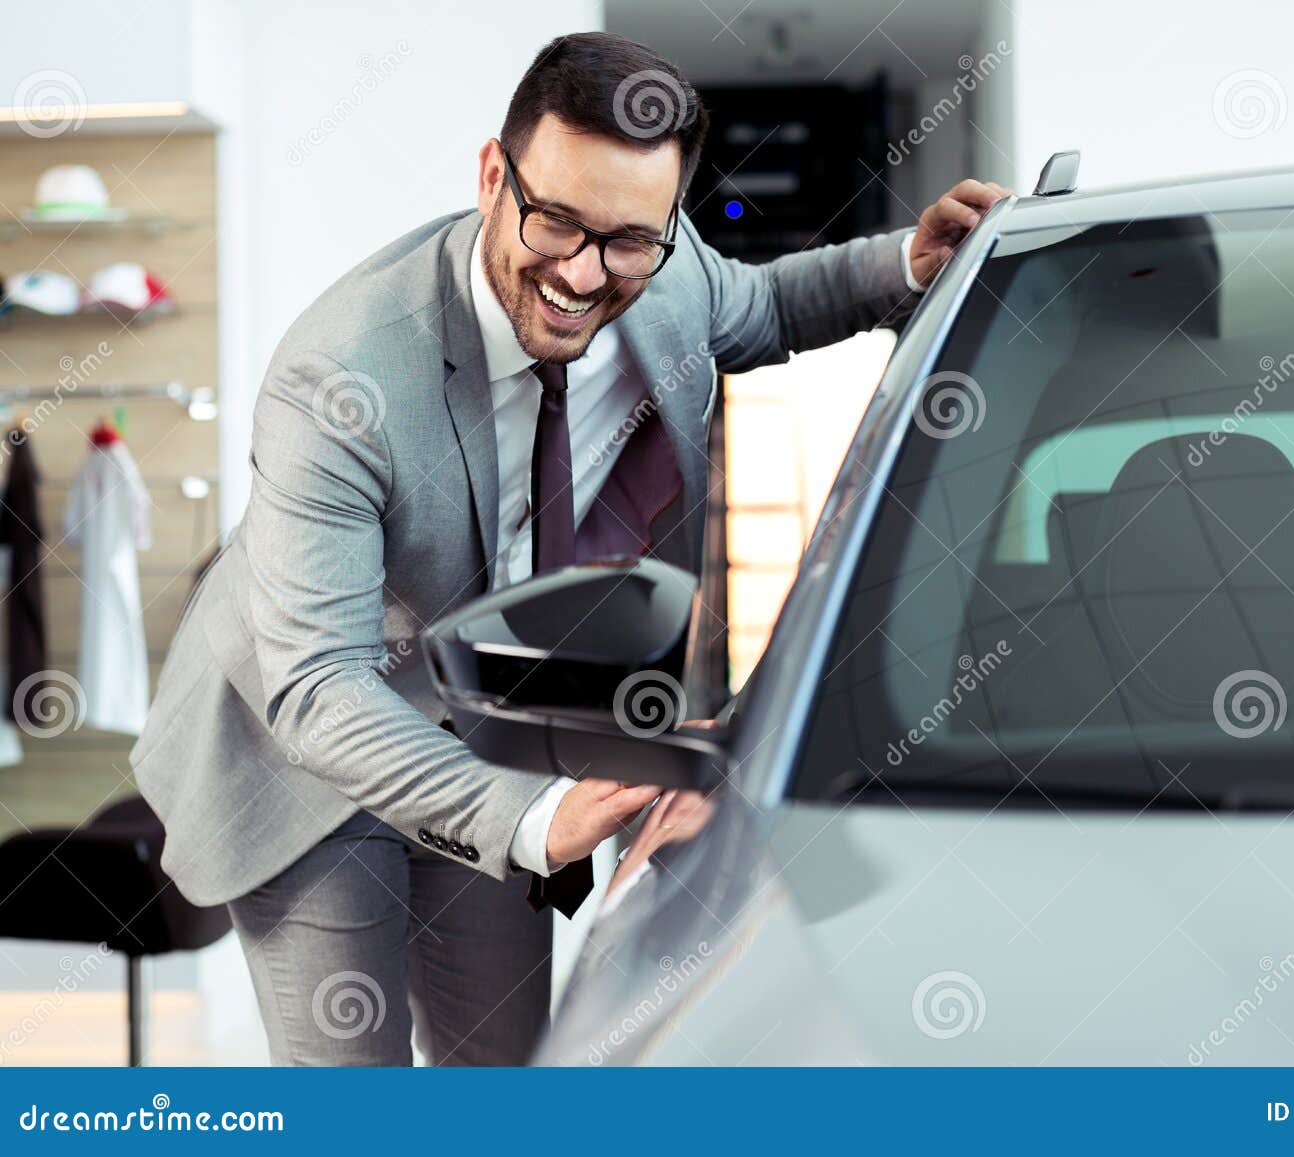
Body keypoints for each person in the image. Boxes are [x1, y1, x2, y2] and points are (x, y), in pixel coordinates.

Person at [131, 30, 1009, 1065]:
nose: (583, 273)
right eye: (555, 222)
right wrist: (538, 816)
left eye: (629, 239)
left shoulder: (664, 273)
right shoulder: (340, 377)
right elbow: (317, 684)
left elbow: (767, 305)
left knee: (505, 1067)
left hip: (488, 724)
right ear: (492, 176)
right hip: (308, 762)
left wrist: (906, 262)